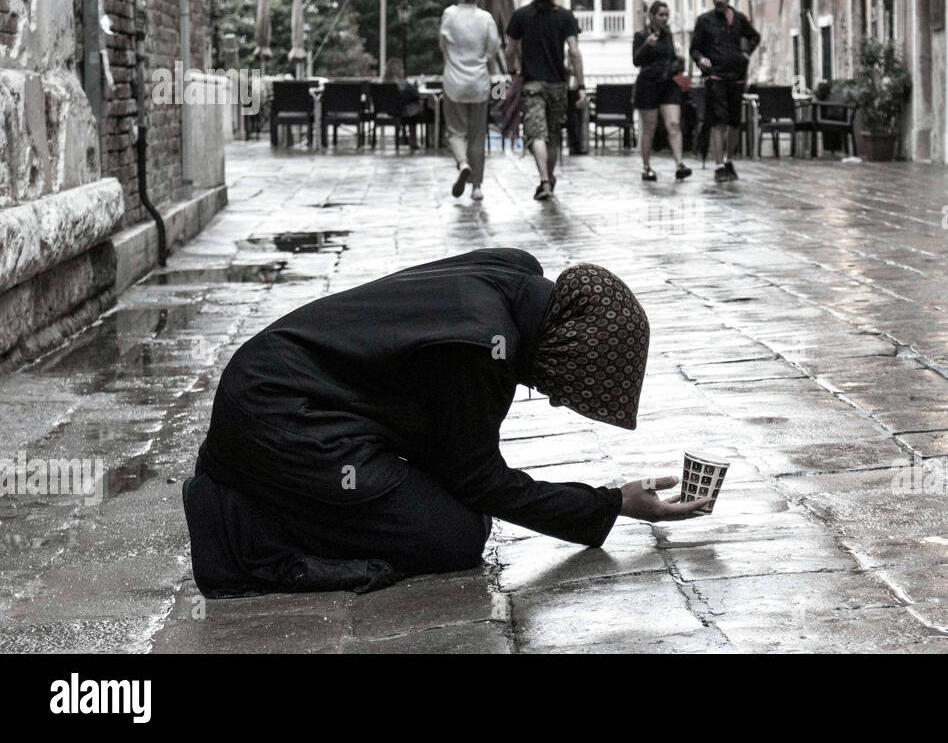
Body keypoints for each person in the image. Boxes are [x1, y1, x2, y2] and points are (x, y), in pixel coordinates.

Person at [182, 247, 709, 597]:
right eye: (562, 388)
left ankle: (272, 492)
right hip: (282, 415)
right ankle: (241, 524)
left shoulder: (515, 278)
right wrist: (611, 503)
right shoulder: (483, 348)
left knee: (466, 512)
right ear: (562, 351)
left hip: (280, 387)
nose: (552, 401)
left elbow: (465, 464)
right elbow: (478, 478)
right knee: (452, 537)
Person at [505, 0, 589, 201]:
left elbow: (510, 50)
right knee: (552, 134)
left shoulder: (520, 16)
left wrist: (513, 72)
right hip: (557, 86)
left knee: (536, 134)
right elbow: (574, 52)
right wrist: (581, 86)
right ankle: (548, 179)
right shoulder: (565, 16)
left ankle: (544, 180)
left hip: (531, 84)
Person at [440, 0, 502, 201]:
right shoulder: (486, 19)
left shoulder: (449, 15)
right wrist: (498, 89)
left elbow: (443, 47)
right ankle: (477, 187)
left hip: (454, 82)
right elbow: (492, 53)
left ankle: (463, 163)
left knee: (456, 132)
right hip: (479, 83)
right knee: (477, 136)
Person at [690, 0, 760, 182]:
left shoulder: (739, 19)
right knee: (719, 120)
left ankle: (729, 159)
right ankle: (719, 164)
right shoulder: (705, 21)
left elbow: (754, 36)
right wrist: (701, 59)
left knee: (735, 122)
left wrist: (746, 53)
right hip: (716, 76)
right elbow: (694, 48)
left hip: (737, 77)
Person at [632, 0, 691, 181]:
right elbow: (636, 60)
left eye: (666, 15)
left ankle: (680, 163)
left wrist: (677, 63)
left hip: (668, 83)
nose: (664, 19)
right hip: (648, 84)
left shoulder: (668, 36)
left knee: (673, 123)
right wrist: (646, 46)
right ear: (651, 16)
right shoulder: (641, 35)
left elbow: (671, 56)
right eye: (661, 15)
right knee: (649, 127)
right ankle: (646, 166)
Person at [382, 58, 423, 152]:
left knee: (412, 109)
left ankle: (411, 140)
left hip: (387, 110)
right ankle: (413, 140)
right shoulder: (401, 82)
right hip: (400, 110)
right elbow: (414, 93)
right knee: (414, 112)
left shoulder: (384, 82)